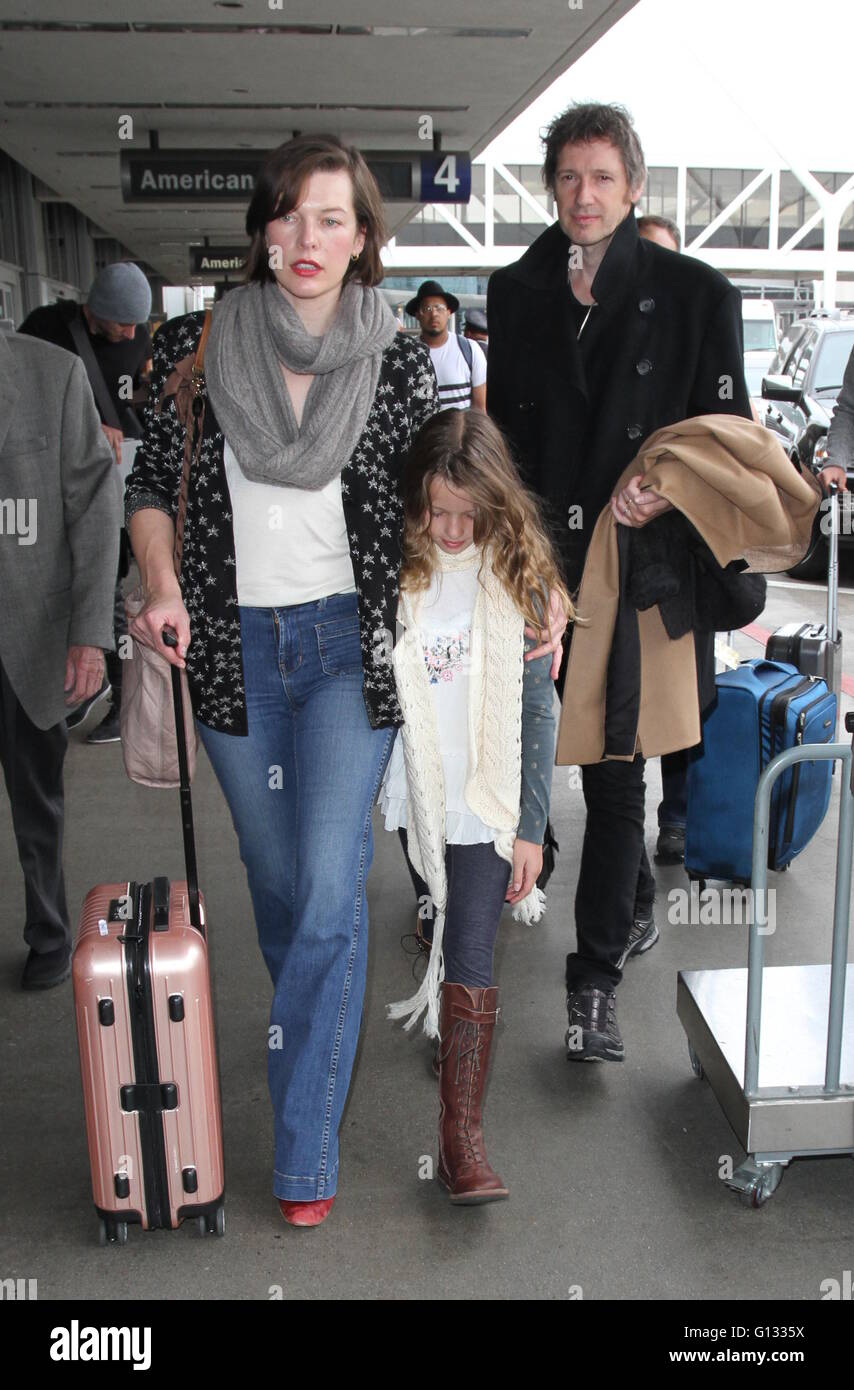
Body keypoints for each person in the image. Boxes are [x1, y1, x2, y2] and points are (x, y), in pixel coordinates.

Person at [125, 134, 440, 1229]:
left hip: (346, 648)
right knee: (283, 890)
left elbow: (437, 499)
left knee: (323, 886)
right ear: (264, 226)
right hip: (232, 652)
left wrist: (522, 586)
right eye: (290, 215)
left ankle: (303, 1149)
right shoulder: (197, 339)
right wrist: (161, 582)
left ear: (361, 240)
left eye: (332, 219)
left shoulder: (394, 354)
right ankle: (310, 1019)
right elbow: (150, 484)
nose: (307, 239)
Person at [487, 102, 752, 1062]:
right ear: (550, 186)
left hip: (634, 567)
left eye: (602, 177)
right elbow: (504, 448)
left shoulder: (694, 294)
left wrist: (664, 488)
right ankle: (561, 914)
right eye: (567, 177)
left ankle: (591, 982)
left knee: (611, 776)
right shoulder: (514, 292)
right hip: (534, 564)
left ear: (634, 186)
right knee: (510, 761)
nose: (584, 195)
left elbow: (731, 443)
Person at [379, 409, 569, 1203]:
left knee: (476, 952)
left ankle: (460, 1139)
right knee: (442, 913)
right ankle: (451, 1022)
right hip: (417, 787)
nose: (451, 530)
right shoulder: (392, 572)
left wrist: (530, 827)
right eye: (436, 510)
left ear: (495, 506)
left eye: (468, 514)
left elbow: (538, 709)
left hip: (488, 801)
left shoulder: (519, 578)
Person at [0, 325, 119, 988]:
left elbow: (96, 514)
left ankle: (47, 928)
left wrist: (90, 632)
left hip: (30, 628)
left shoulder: (54, 374)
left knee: (36, 798)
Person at [19, 262, 154, 744]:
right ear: (94, 310)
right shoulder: (45, 328)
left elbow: (137, 396)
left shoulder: (136, 340)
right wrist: (89, 426)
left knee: (111, 587)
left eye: (137, 323)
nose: (131, 332)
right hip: (55, 485)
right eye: (121, 322)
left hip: (116, 479)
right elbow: (26, 395)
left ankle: (119, 694)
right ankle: (83, 688)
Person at [636, 211, 687, 862]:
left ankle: (675, 815)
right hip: (605, 552)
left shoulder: (694, 336)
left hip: (679, 556)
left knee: (679, 699)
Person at [408, 280, 487, 411]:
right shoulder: (407, 354)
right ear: (417, 315)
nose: (434, 314)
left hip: (461, 430)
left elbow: (480, 409)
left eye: (439, 308)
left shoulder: (470, 349)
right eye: (427, 309)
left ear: (449, 312)